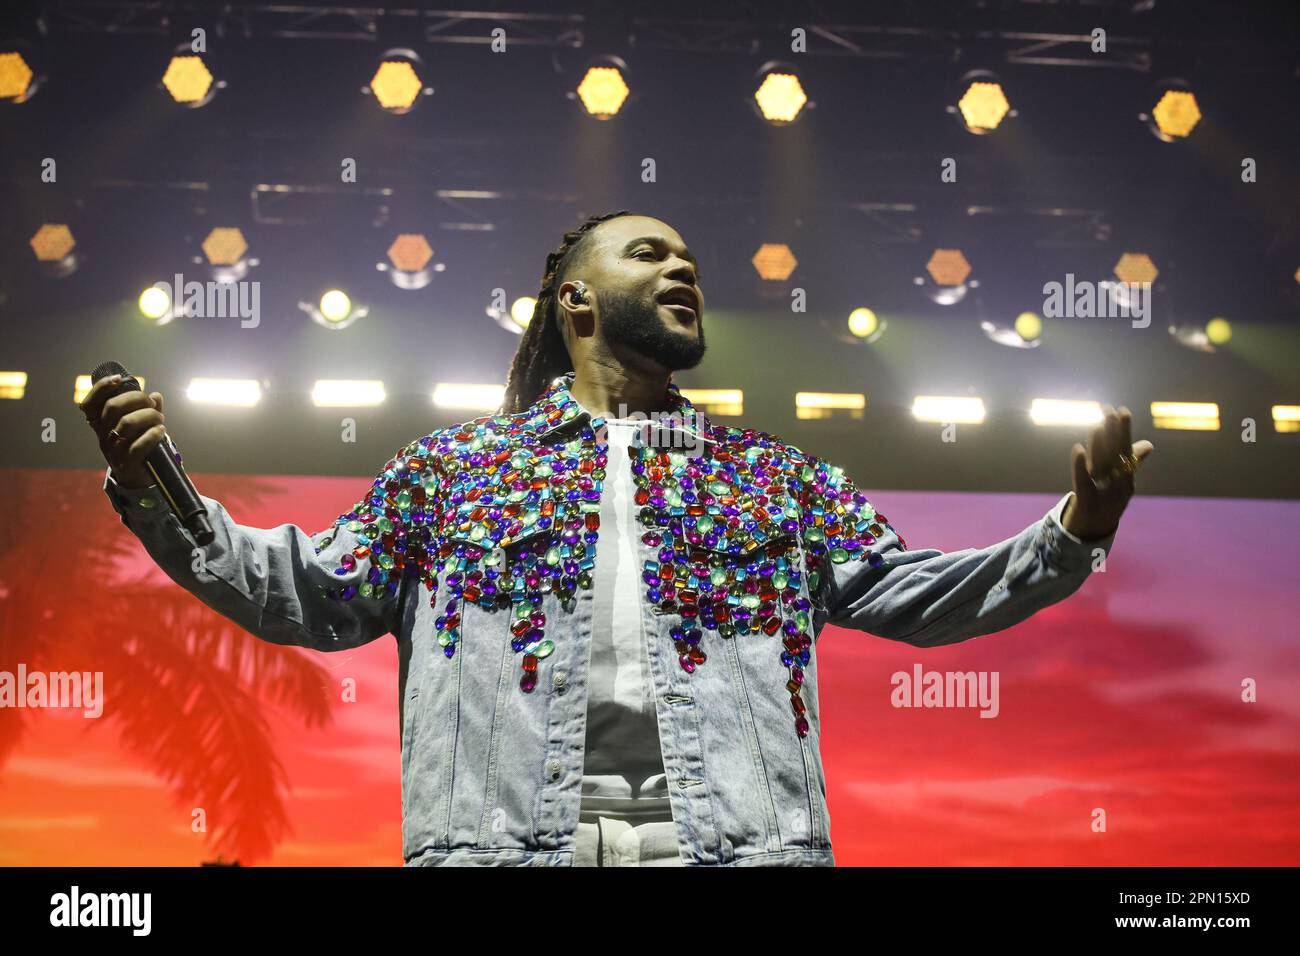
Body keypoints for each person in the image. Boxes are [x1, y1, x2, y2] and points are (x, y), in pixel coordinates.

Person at [81, 210, 1153, 867]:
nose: (684, 268)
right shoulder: (456, 473)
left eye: (690, 258)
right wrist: (154, 481)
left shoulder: (768, 477)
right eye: (650, 253)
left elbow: (915, 592)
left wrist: (1077, 529)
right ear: (575, 300)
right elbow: (302, 590)